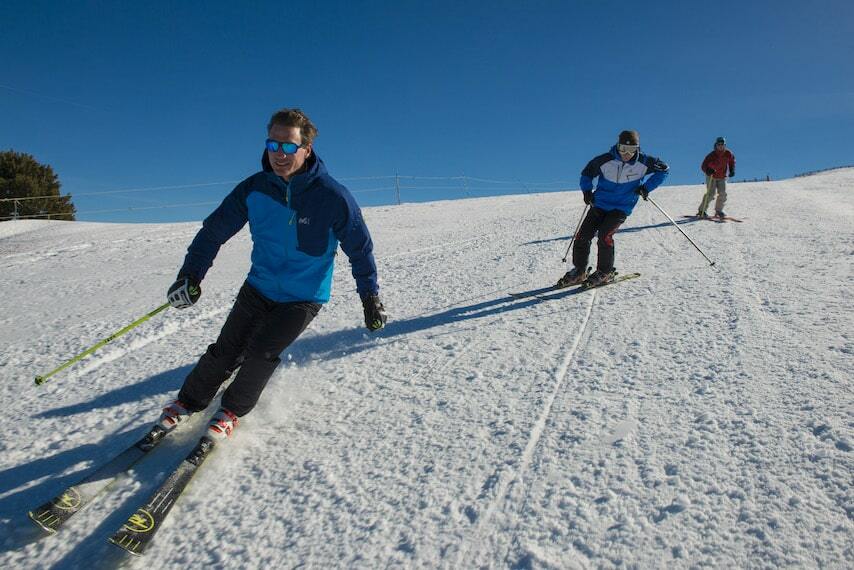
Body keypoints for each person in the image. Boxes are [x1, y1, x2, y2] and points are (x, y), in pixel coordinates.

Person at [159, 108, 387, 440]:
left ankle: (231, 410)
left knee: (261, 352)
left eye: (289, 147)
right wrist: (190, 276)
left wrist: (370, 297)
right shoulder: (254, 189)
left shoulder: (333, 197)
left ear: (306, 149)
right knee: (225, 350)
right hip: (259, 286)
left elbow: (360, 248)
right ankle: (187, 402)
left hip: (303, 296)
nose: (279, 154)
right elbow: (213, 232)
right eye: (273, 145)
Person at [557, 130, 669, 288]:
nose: (626, 154)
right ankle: (580, 271)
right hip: (600, 204)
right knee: (583, 235)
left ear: (638, 148)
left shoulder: (645, 162)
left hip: (621, 207)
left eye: (631, 150)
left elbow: (664, 170)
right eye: (623, 149)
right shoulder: (605, 159)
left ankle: (605, 271)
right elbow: (587, 173)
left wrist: (647, 187)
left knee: (604, 236)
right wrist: (587, 191)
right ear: (617, 145)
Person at [697, 136, 735, 218]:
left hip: (722, 176)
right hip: (711, 176)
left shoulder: (728, 154)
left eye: (722, 144)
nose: (720, 146)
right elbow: (703, 166)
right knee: (711, 194)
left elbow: (732, 162)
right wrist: (708, 170)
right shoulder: (711, 155)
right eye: (719, 144)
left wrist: (732, 170)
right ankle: (702, 210)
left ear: (725, 145)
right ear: (716, 145)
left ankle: (719, 211)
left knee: (723, 194)